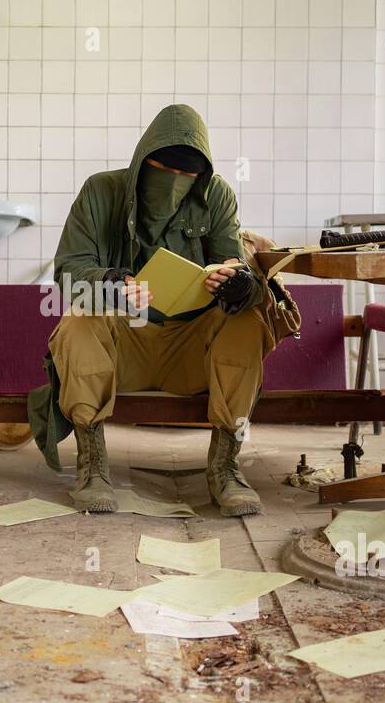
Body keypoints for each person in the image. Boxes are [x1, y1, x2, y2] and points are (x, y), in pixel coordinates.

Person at [27, 104, 275, 517]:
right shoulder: (100, 191)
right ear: (143, 161)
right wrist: (111, 282)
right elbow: (69, 272)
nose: (174, 181)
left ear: (201, 176)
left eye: (187, 174)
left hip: (191, 352)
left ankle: (225, 468)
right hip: (122, 349)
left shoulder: (217, 197)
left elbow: (234, 263)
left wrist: (238, 284)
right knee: (78, 320)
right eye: (164, 169)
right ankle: (92, 467)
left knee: (246, 322)